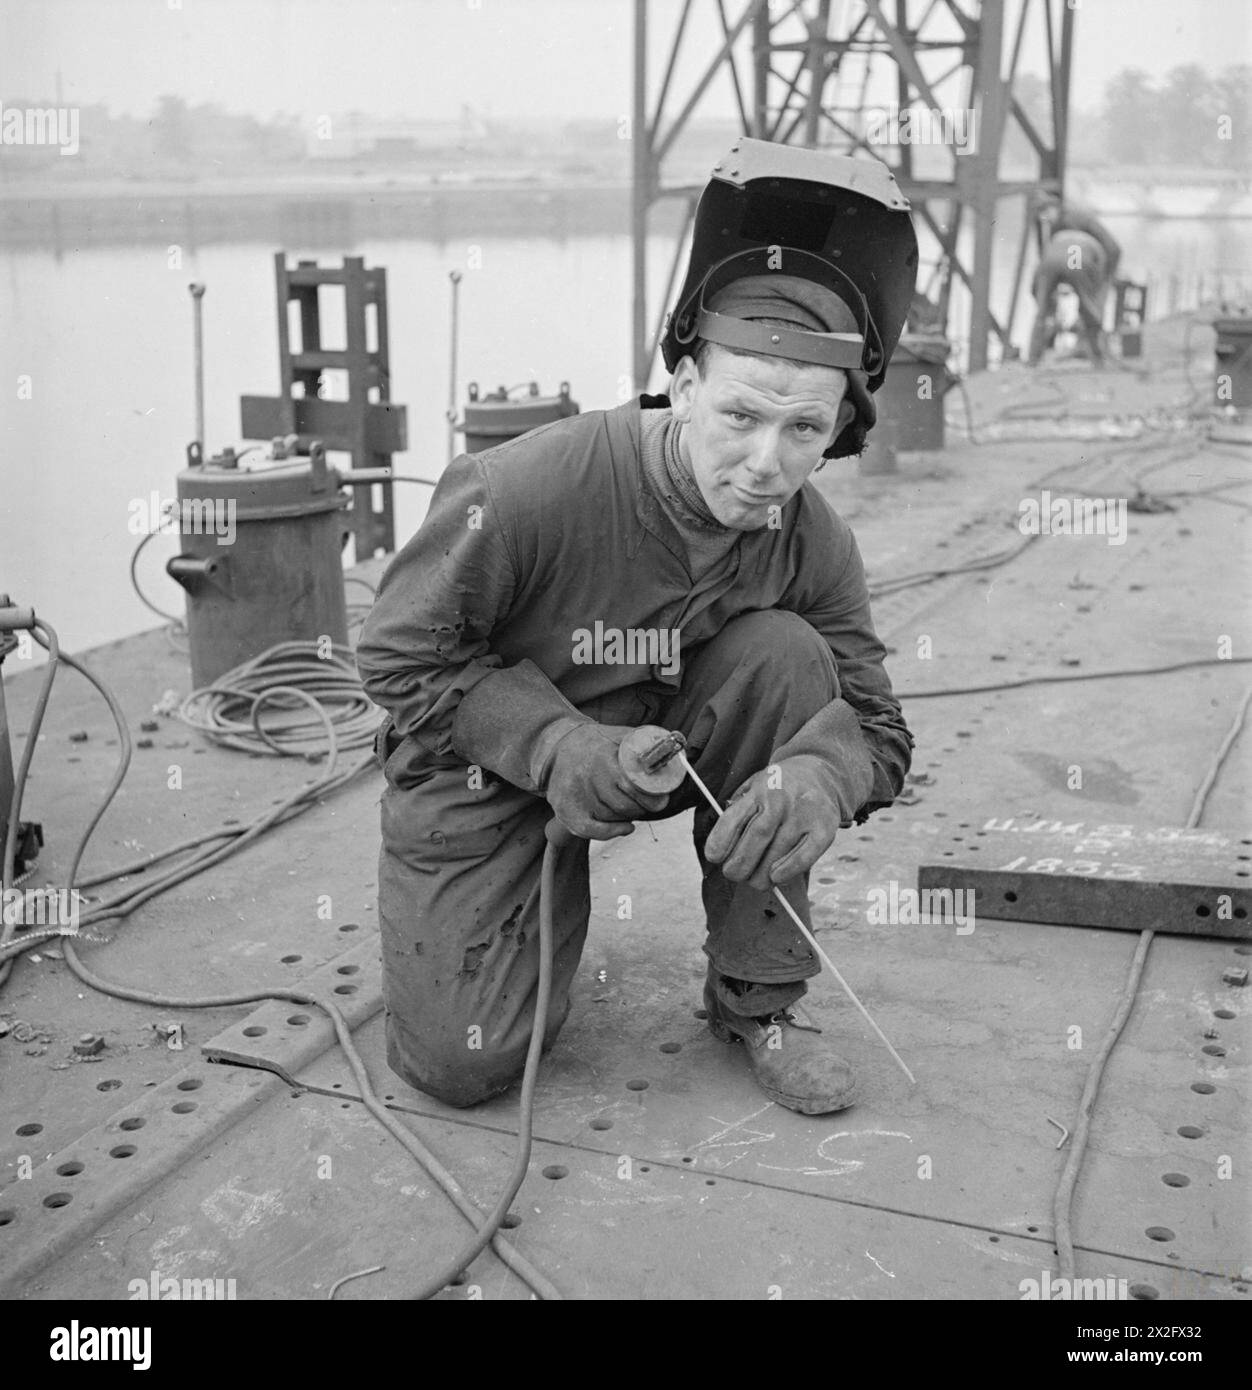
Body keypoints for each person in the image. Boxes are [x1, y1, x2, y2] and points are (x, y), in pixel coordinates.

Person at [356, 146, 916, 1118]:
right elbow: (400, 654)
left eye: (803, 431)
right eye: (739, 413)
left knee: (789, 657)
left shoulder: (812, 539)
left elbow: (876, 722)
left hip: (664, 741)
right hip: (489, 765)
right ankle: (530, 881)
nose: (763, 463)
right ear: (685, 383)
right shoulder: (522, 491)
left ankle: (759, 1002)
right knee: (464, 1064)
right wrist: (556, 744)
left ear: (836, 430)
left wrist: (822, 777)